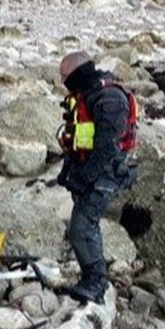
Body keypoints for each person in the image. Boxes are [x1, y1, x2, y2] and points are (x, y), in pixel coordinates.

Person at [56, 51, 138, 305]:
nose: (63, 82)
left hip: (107, 173)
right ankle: (92, 276)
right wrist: (69, 172)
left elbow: (108, 148)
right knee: (85, 224)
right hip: (88, 169)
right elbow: (79, 138)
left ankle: (96, 283)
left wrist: (84, 178)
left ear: (78, 73)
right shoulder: (85, 94)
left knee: (81, 226)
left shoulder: (109, 98)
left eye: (65, 76)